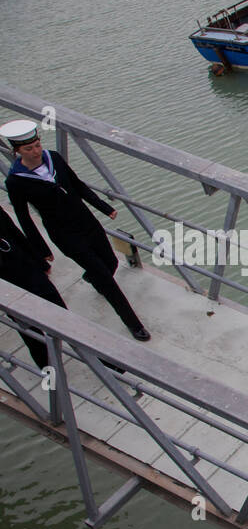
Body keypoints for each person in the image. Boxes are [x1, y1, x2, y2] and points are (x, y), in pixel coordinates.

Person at [2, 119, 150, 342]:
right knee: (107, 281)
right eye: (28, 149)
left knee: (110, 262)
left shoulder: (55, 158)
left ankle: (93, 278)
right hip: (65, 235)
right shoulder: (16, 181)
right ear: (17, 151)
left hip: (87, 223)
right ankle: (134, 324)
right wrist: (41, 249)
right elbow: (24, 219)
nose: (36, 151)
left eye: (37, 145)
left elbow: (77, 185)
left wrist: (103, 206)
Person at [0, 205, 68, 370]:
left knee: (63, 317)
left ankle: (103, 361)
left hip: (28, 270)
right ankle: (51, 379)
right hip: (8, 289)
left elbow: (16, 234)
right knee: (33, 335)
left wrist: (40, 262)